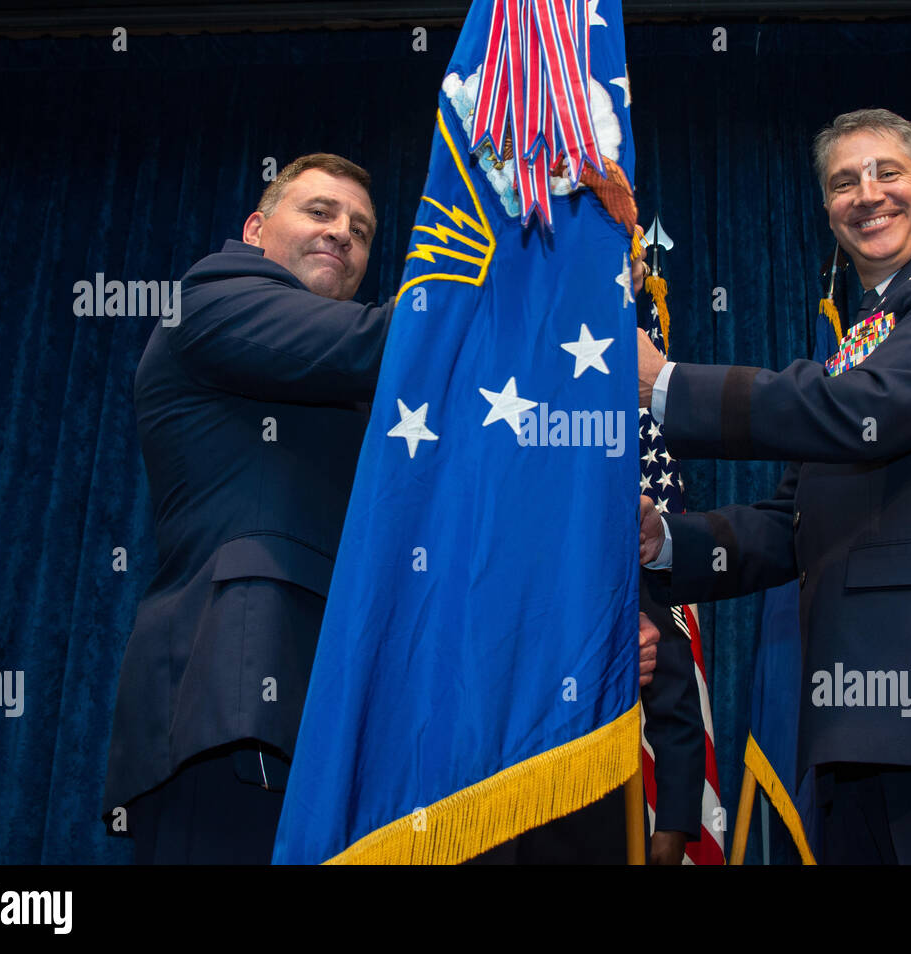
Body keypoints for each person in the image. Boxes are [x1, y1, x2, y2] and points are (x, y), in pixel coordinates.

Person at [104, 153, 658, 863]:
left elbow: (464, 475)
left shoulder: (369, 384)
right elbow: (390, 341)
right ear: (254, 229)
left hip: (351, 712)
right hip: (241, 694)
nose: (342, 234)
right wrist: (546, 277)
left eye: (361, 230)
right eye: (320, 212)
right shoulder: (213, 295)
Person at [635, 109, 911, 864]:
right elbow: (788, 526)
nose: (866, 194)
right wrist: (666, 540)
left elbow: (865, 411)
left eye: (887, 173)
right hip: (850, 729)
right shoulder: (855, 345)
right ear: (829, 209)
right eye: (844, 182)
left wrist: (666, 384)